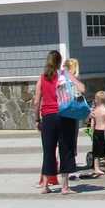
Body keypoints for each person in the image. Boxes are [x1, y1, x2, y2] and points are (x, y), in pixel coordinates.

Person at [33, 50, 75, 194]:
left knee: (48, 150)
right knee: (65, 149)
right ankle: (65, 186)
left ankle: (45, 186)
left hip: (48, 117)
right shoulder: (64, 76)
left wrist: (37, 119)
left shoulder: (42, 78)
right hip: (63, 115)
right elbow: (74, 92)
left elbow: (36, 100)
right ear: (59, 62)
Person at [58, 58, 86, 181]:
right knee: (70, 142)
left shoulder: (59, 78)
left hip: (59, 111)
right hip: (70, 112)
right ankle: (69, 169)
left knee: (60, 142)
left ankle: (58, 165)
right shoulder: (71, 79)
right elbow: (78, 95)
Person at [89, 91, 105, 176]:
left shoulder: (94, 111)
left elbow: (92, 123)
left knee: (96, 152)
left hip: (96, 131)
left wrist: (91, 133)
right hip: (104, 131)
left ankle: (97, 168)